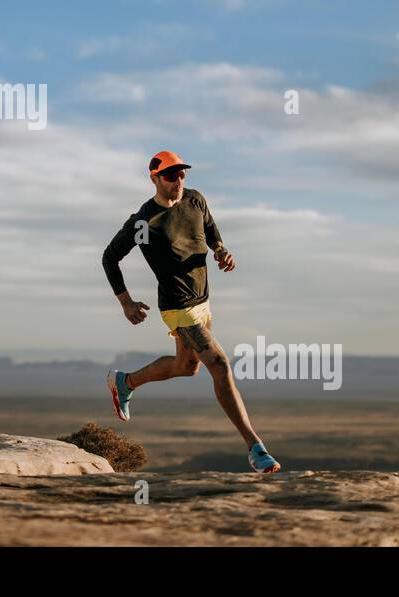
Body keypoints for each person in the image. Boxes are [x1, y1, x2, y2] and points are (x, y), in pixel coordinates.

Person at [101, 150, 281, 474]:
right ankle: (256, 447)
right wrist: (126, 302)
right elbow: (109, 258)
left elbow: (211, 231)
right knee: (220, 364)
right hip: (177, 307)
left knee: (187, 367)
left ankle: (125, 382)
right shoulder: (144, 221)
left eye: (182, 173)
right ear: (154, 178)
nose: (179, 180)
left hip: (203, 301)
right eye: (171, 175)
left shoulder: (195, 201)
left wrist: (222, 251)